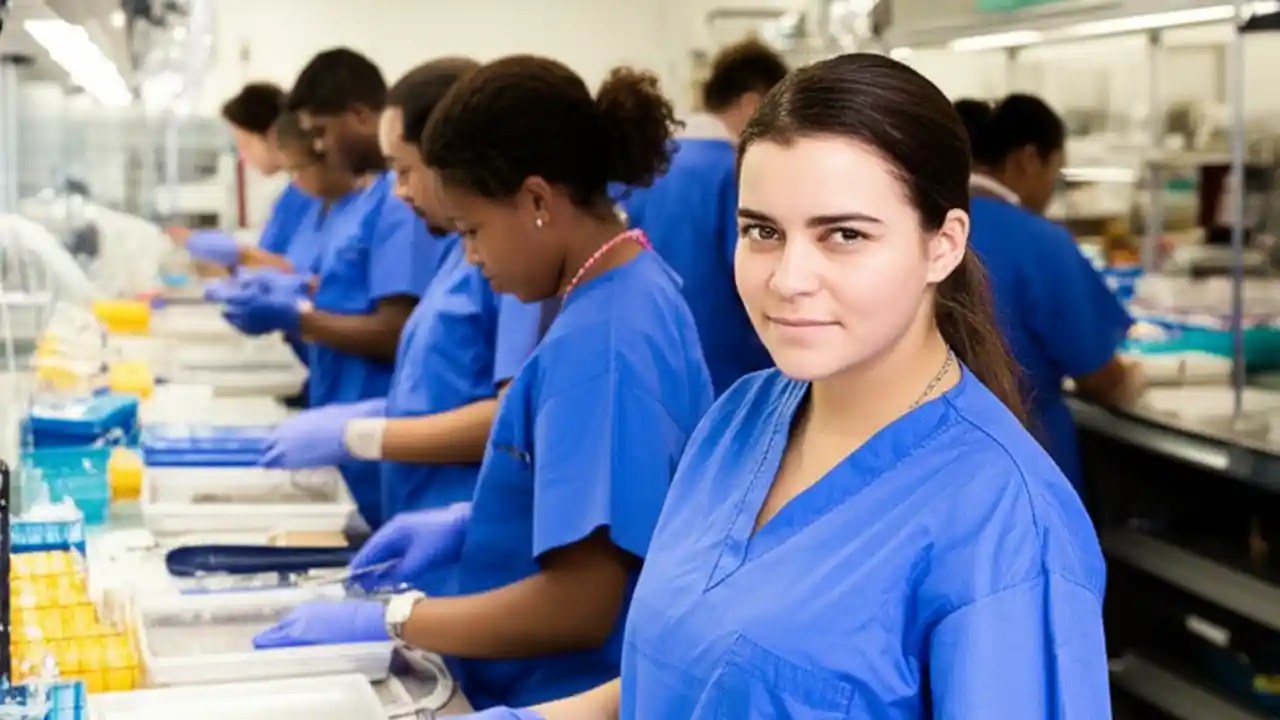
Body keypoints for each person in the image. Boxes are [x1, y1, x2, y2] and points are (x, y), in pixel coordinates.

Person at [457, 53, 1111, 720]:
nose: (789, 278)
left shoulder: (1007, 527)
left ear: (942, 245)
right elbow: (679, 679)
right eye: (762, 231)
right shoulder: (737, 421)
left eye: (844, 235)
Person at [252, 55, 715, 711]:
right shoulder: (629, 287)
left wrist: (393, 620)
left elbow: (579, 605)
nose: (470, 256)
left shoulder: (602, 342)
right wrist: (473, 524)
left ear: (535, 201)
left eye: (472, 230)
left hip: (558, 690)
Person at [256, 58, 542, 591]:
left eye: (405, 171)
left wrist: (363, 434)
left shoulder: (513, 267)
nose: (398, 192)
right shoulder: (457, 254)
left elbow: (513, 417)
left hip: (465, 542)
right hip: (417, 523)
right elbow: (438, 386)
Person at [225, 48, 439, 527]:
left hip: (385, 445)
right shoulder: (373, 199)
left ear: (361, 116)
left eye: (322, 132)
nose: (321, 148)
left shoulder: (401, 207)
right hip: (351, 423)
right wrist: (296, 291)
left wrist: (297, 316)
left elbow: (395, 330)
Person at [957, 94, 1141, 492]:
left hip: (934, 459)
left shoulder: (924, 224)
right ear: (1028, 159)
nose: (1052, 188)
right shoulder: (1041, 242)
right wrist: (1134, 381)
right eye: (1055, 170)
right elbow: (1099, 377)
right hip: (1027, 456)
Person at [619, 40, 787, 395]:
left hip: (648, 367)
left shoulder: (643, 163)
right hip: (728, 378)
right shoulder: (732, 171)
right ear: (753, 104)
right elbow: (766, 279)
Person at [168, 83, 316, 272]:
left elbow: (297, 271)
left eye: (244, 144)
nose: (243, 156)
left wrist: (237, 255)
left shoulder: (311, 195)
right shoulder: (290, 195)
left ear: (270, 136)